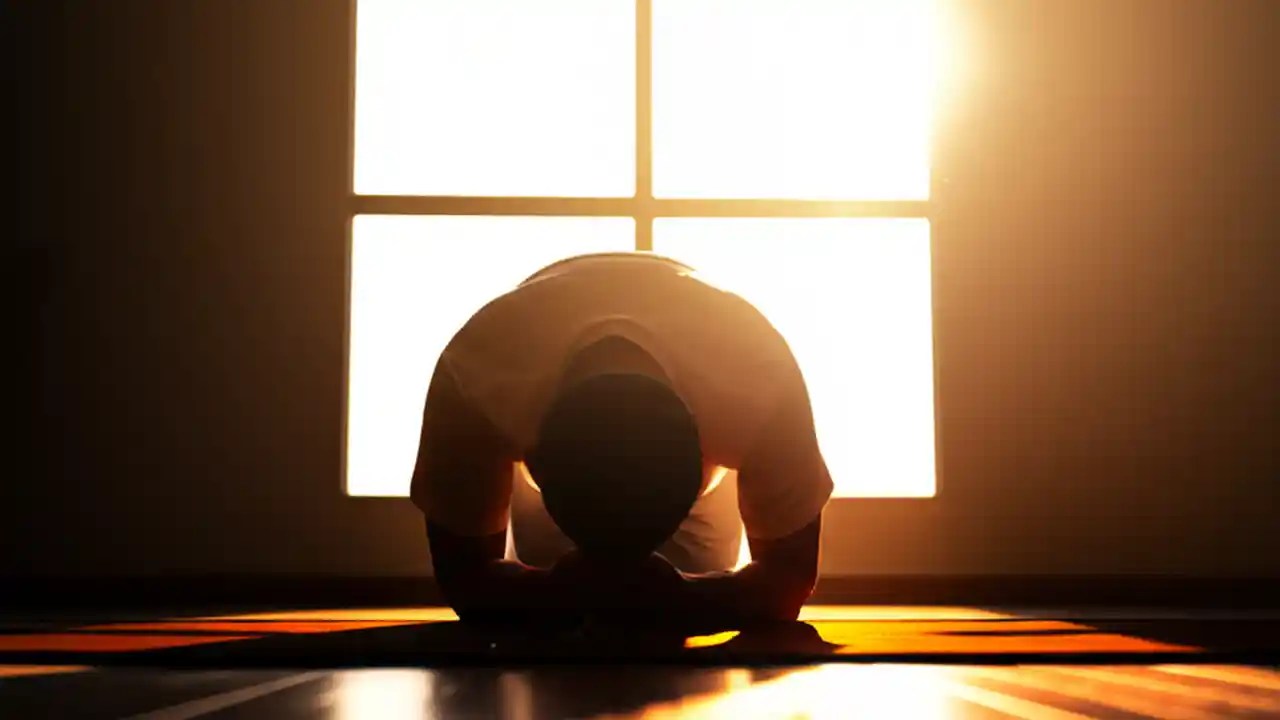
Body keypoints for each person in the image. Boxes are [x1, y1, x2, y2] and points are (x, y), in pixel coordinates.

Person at [411, 252, 833, 627]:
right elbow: (465, 579)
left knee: (653, 605)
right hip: (540, 355)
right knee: (571, 609)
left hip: (705, 364)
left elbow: (789, 579)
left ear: (704, 451)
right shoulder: (477, 379)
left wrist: (681, 598)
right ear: (533, 457)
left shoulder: (758, 381)